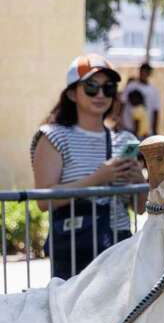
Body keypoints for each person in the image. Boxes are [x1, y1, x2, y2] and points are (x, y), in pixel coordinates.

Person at [30, 54, 144, 279]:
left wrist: (138, 181)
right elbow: (43, 200)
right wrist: (97, 179)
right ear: (72, 93)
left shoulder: (125, 140)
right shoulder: (53, 137)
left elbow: (139, 208)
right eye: (91, 87)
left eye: (108, 88)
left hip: (120, 245)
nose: (100, 94)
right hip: (76, 247)